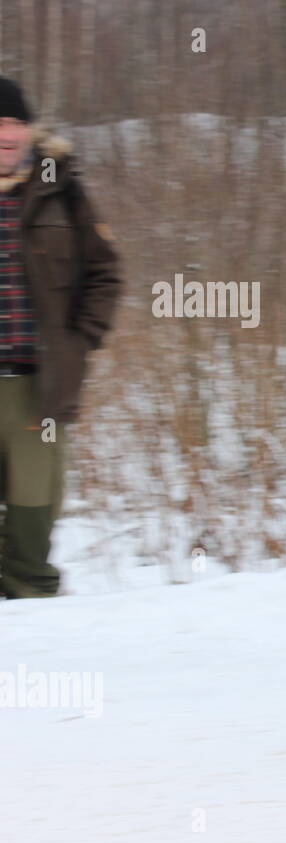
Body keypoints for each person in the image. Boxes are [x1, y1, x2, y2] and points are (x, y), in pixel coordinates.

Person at [0, 77, 120, 599]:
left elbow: (106, 274)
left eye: (18, 124)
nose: (9, 135)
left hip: (37, 384)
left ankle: (32, 621)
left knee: (34, 515)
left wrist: (79, 342)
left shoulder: (61, 188)